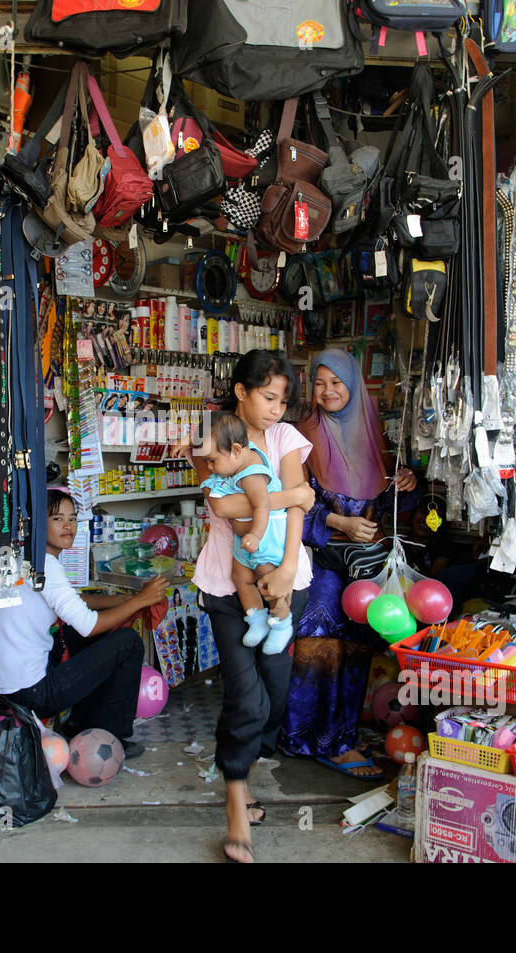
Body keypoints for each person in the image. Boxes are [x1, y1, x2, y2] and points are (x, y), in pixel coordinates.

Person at [187, 350, 316, 864]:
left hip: (289, 580)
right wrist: (290, 496)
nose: (276, 409)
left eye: (283, 400)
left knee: (274, 697)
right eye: (268, 397)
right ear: (241, 391)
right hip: (227, 585)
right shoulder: (212, 433)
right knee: (246, 698)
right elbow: (224, 505)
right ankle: (236, 808)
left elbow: (299, 501)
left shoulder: (286, 438)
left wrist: (286, 570)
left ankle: (245, 774)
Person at [282, 348, 418, 780]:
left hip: (364, 571)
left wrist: (407, 482)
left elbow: (389, 504)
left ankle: (343, 735)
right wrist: (337, 520)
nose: (327, 391)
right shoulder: (301, 439)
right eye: (319, 383)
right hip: (323, 567)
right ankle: (316, 741)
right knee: (321, 652)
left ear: (354, 385)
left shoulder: (372, 436)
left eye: (336, 382)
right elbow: (289, 508)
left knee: (356, 652)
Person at [0, 490, 167, 757]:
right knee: (127, 643)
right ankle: (112, 734)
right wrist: (140, 600)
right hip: (34, 694)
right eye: (58, 519)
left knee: (74, 633)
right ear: (36, 522)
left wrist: (122, 600)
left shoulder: (25, 556)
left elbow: (71, 602)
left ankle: (81, 721)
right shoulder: (46, 565)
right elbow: (88, 624)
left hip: (13, 689)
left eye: (72, 518)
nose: (68, 526)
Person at [198, 412, 293, 653]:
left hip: (264, 537)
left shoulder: (251, 473)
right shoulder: (232, 464)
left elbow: (263, 506)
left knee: (267, 582)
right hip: (245, 540)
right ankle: (257, 619)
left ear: (237, 450)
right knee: (240, 577)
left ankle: (282, 623)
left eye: (212, 461)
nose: (209, 467)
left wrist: (256, 535)